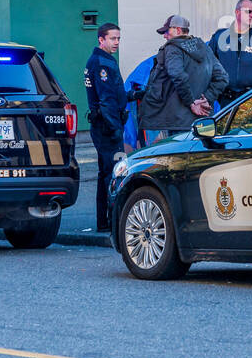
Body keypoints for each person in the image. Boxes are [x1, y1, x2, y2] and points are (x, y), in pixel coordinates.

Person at [138, 15, 229, 144]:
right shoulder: (205, 48)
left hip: (177, 122)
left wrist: (192, 103)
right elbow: (222, 77)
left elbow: (177, 75)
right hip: (204, 120)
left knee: (178, 160)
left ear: (178, 30)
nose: (165, 36)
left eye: (166, 31)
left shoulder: (173, 48)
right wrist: (206, 99)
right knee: (201, 158)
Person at [84, 23, 133, 232]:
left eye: (119, 38)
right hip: (107, 127)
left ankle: (104, 222)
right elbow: (106, 100)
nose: (117, 43)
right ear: (101, 40)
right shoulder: (102, 64)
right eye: (113, 39)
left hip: (106, 125)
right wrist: (115, 129)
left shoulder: (102, 60)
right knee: (112, 173)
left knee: (105, 173)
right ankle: (110, 221)